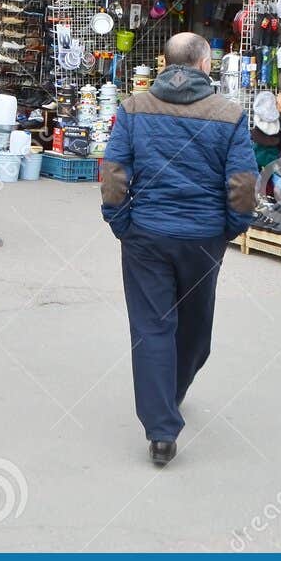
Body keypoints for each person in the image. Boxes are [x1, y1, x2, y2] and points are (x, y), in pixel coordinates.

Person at [99, 32, 258, 468]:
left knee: (152, 328)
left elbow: (113, 173)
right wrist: (230, 229)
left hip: (147, 235)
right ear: (205, 64)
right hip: (203, 239)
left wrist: (120, 222)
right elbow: (243, 184)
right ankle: (166, 414)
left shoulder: (134, 109)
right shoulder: (229, 115)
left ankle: (161, 425)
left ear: (164, 63)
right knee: (194, 328)